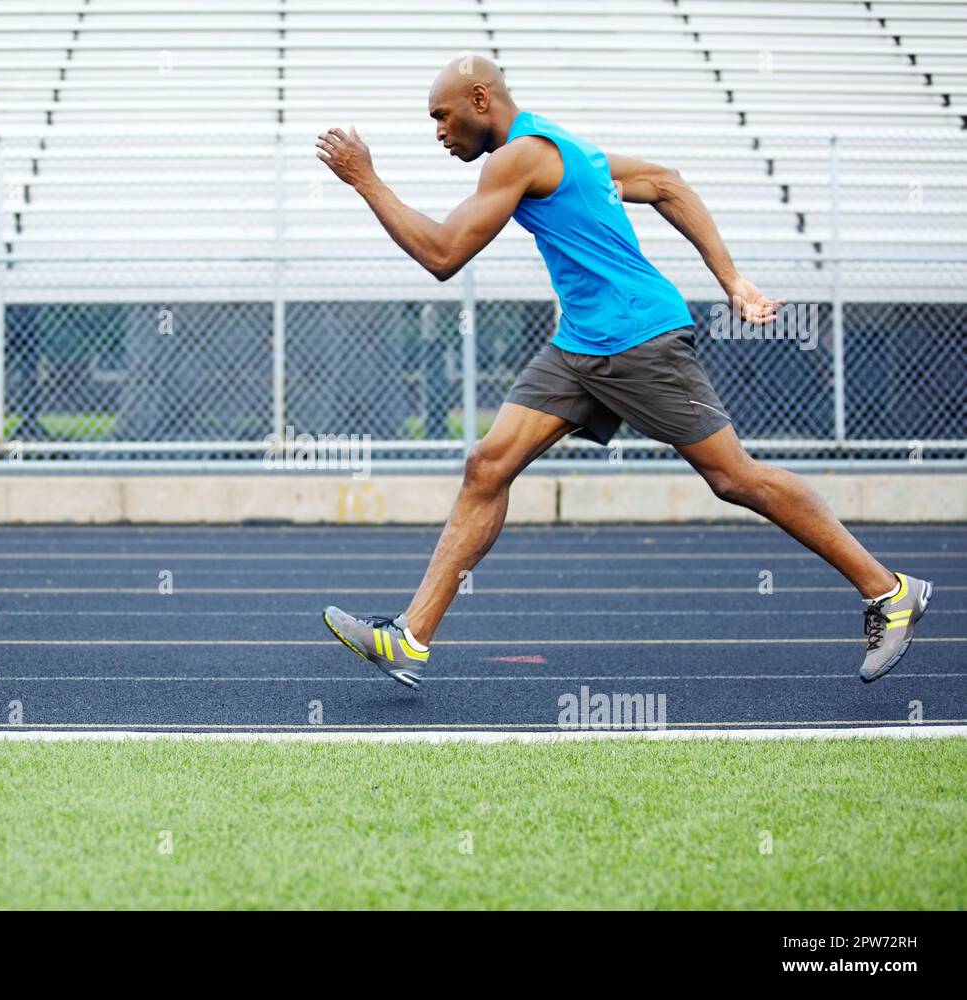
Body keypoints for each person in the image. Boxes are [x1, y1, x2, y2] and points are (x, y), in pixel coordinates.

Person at [315, 55, 932, 689]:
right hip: (581, 343)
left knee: (733, 477)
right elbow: (665, 181)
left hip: (637, 337)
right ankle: (410, 640)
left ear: (479, 100)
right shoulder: (566, 149)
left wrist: (366, 180)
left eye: (441, 117)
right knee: (488, 465)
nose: (439, 132)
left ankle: (889, 592)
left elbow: (443, 255)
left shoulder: (519, 155)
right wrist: (731, 279)